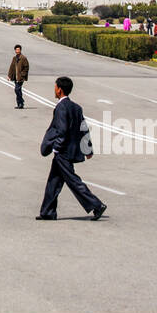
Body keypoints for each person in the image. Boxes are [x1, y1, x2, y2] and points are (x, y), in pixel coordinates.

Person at [37, 76, 105, 221]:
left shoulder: (61, 107)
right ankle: (47, 212)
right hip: (69, 151)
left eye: (55, 87)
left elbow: (61, 130)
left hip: (63, 152)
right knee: (53, 182)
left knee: (73, 181)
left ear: (60, 90)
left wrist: (56, 148)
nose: (54, 89)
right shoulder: (76, 107)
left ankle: (97, 205)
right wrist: (88, 150)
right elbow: (84, 129)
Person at [7, 44, 29, 110]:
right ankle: (20, 103)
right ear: (15, 50)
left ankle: (21, 102)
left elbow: (26, 67)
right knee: (18, 90)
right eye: (16, 49)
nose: (17, 51)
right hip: (15, 77)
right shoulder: (14, 58)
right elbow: (11, 67)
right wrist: (9, 76)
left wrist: (23, 75)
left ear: (20, 50)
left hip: (20, 77)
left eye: (18, 49)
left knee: (17, 89)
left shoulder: (23, 58)